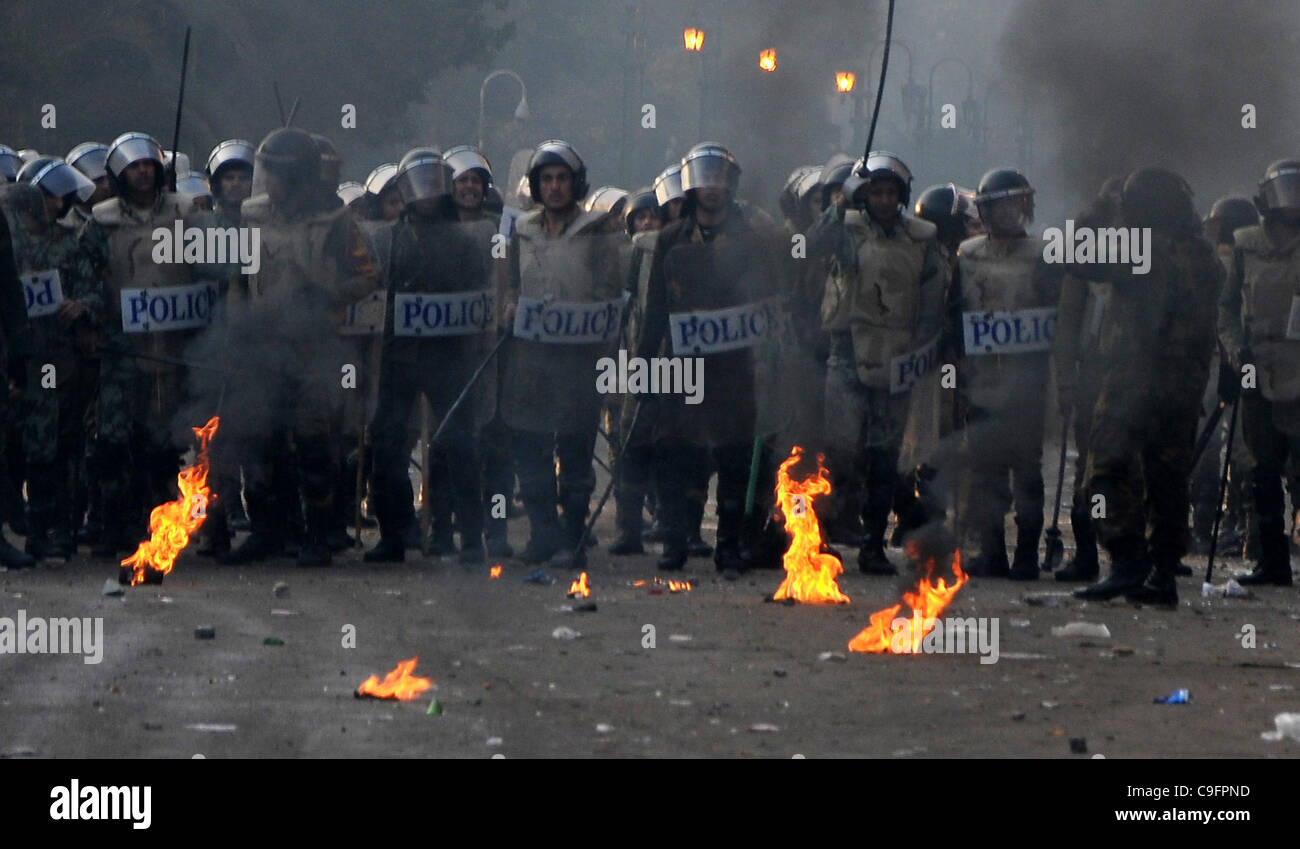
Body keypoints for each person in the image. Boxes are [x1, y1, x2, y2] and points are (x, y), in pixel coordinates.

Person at [223, 128, 379, 567]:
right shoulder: (251, 216)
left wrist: (327, 296)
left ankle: (316, 536)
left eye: (274, 173)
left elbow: (369, 276)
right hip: (262, 346)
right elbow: (238, 276)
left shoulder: (335, 219)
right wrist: (239, 325)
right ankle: (267, 532)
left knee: (313, 443)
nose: (266, 181)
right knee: (262, 441)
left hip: (314, 347)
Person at [1074, 167, 1223, 604]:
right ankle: (1163, 573)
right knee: (1168, 479)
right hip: (1183, 388)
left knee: (1103, 473)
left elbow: (1077, 257)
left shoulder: (1141, 250)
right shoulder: (1204, 257)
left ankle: (1126, 560)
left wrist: (1100, 209)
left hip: (1133, 383)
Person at [638, 142, 786, 576]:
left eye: (719, 179)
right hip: (683, 364)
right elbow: (656, 308)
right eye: (704, 179)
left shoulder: (753, 241)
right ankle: (676, 540)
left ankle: (728, 544)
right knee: (676, 454)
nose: (712, 188)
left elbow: (770, 302)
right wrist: (647, 368)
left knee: (735, 456)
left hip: (736, 366)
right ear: (690, 186)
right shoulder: (670, 239)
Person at [79, 132, 220, 571]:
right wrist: (90, 320)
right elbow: (84, 274)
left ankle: (166, 526)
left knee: (169, 438)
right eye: (134, 166)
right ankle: (115, 527)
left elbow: (215, 267)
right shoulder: (101, 221)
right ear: (119, 174)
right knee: (116, 440)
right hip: (123, 347)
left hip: (176, 344)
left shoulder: (185, 212)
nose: (142, 172)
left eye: (148, 165)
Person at [812, 152, 944, 574]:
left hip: (896, 355)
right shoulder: (846, 231)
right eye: (876, 193)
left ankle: (872, 543)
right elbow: (807, 247)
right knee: (841, 450)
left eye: (891, 193)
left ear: (901, 196)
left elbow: (931, 303)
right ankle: (823, 536)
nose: (884, 201)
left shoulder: (922, 240)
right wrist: (839, 207)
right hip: (848, 351)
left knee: (884, 457)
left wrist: (918, 350)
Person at [365, 148, 492, 565]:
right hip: (399, 357)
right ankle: (395, 532)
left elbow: (479, 299)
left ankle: (469, 536)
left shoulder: (466, 241)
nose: (427, 194)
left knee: (458, 444)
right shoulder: (387, 240)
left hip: (449, 357)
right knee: (387, 443)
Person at [500, 140, 621, 568]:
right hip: (531, 360)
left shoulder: (599, 230)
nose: (554, 187)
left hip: (579, 361)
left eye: (562, 179)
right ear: (536, 185)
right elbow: (509, 283)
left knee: (574, 450)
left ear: (575, 183)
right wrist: (511, 304)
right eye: (546, 179)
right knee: (531, 448)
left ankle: (572, 533)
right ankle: (542, 533)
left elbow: (612, 294)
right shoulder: (522, 230)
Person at [1218, 160, 1300, 587]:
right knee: (1261, 470)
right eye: (1286, 189)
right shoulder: (1245, 245)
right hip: (1255, 369)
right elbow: (1226, 309)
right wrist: (1235, 353)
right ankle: (1272, 563)